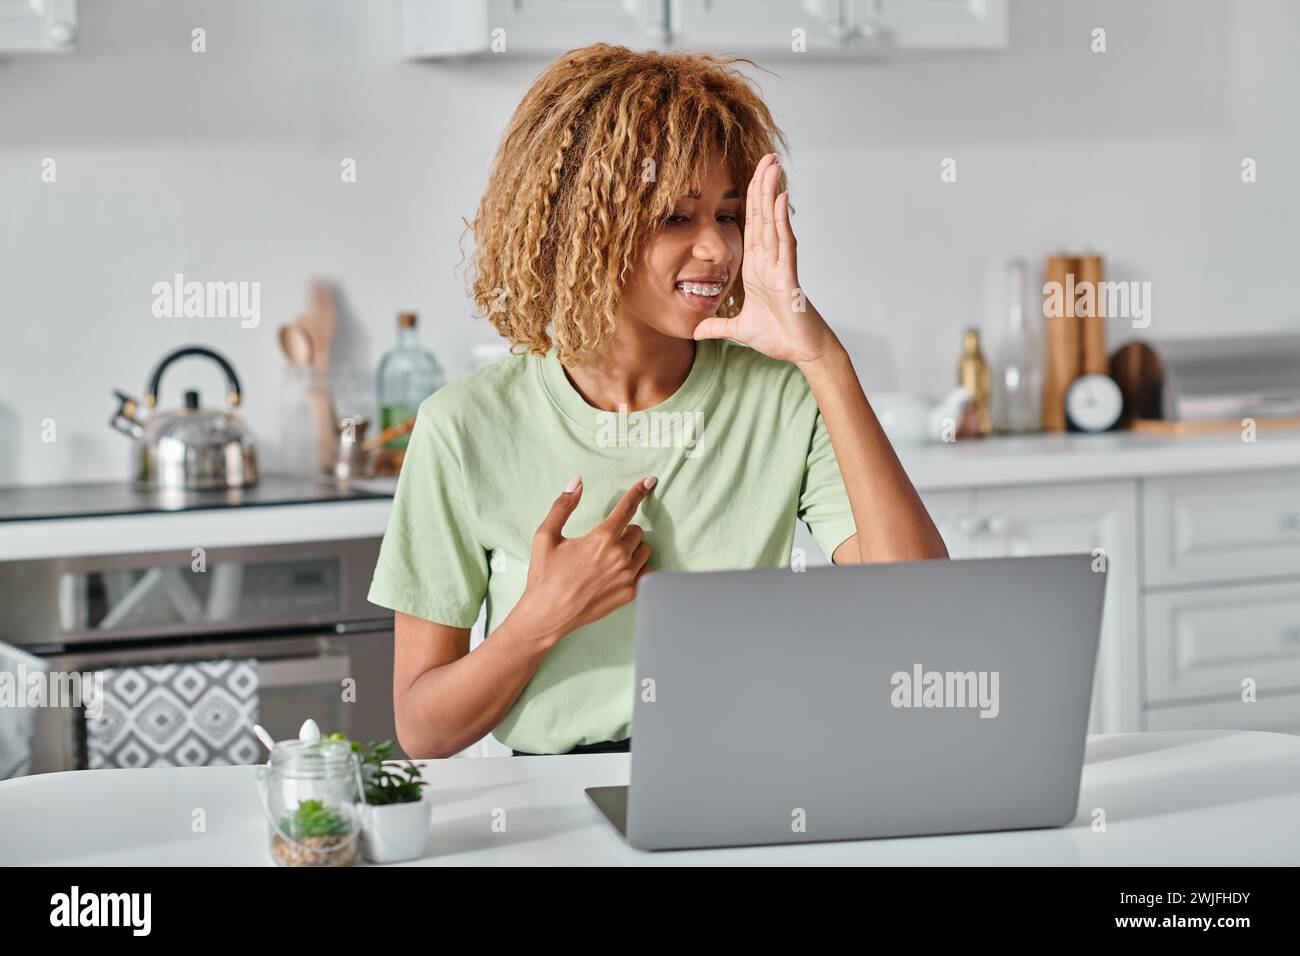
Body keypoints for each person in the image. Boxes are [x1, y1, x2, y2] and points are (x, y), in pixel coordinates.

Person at [367, 43, 948, 759]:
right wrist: (541, 618)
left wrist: (823, 357)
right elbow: (423, 731)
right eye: (676, 217)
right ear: (585, 225)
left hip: (745, 776)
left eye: (729, 216)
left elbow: (919, 612)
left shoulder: (782, 396)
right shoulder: (463, 427)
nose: (716, 249)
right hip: (557, 797)